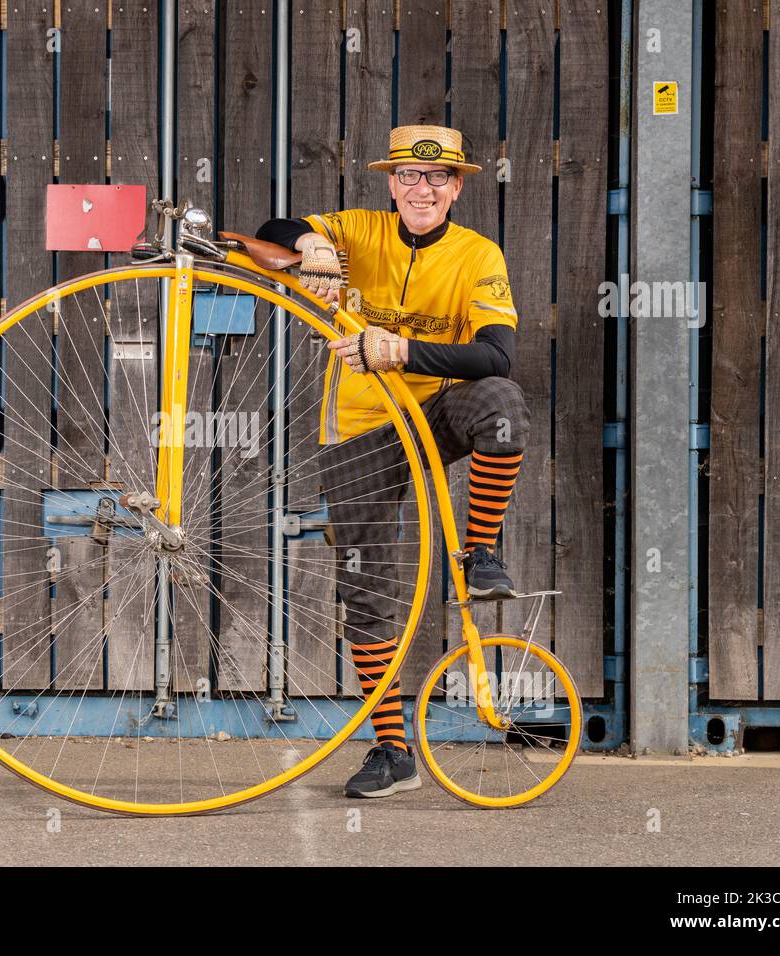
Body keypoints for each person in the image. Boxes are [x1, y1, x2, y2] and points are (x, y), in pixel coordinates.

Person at [256, 124, 530, 798]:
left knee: (500, 404)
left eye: (438, 178)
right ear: (391, 184)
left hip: (434, 416)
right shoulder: (355, 232)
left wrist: (399, 350)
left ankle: (481, 551)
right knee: (366, 591)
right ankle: (391, 750)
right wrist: (313, 244)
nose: (422, 189)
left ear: (457, 187)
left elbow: (495, 355)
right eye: (409, 176)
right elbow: (271, 228)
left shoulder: (477, 254)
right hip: (356, 431)